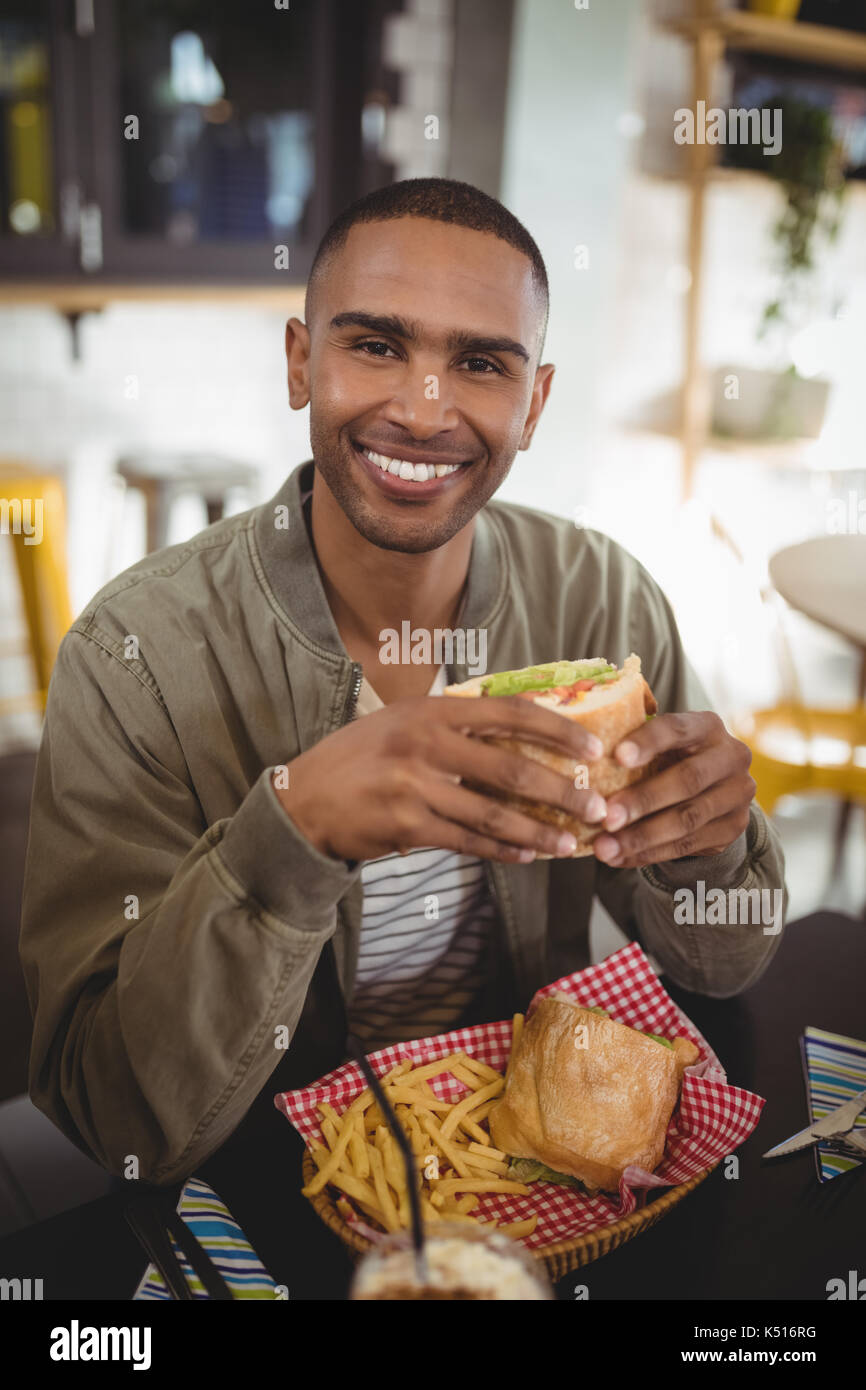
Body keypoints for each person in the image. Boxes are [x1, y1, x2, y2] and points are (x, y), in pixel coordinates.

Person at [20, 179, 787, 1188]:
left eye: (478, 363)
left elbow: (721, 966)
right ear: (301, 363)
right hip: (260, 1186)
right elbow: (106, 1109)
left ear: (535, 404)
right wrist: (293, 834)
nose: (423, 410)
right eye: (375, 346)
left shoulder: (601, 596)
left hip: (532, 1180)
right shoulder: (136, 655)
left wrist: (708, 848)